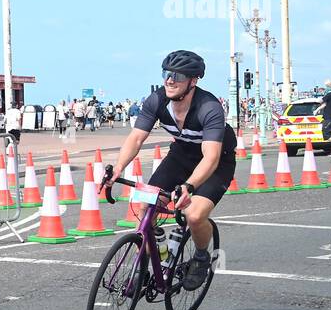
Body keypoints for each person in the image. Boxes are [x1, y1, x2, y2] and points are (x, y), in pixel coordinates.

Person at [100, 50, 236, 292]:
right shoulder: (157, 100)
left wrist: (189, 187)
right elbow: (136, 138)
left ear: (193, 81)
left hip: (215, 162)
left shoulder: (209, 107)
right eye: (166, 74)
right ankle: (153, 259)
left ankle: (202, 257)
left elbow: (211, 157)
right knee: (145, 206)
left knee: (194, 215)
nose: (169, 80)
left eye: (178, 75)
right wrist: (118, 168)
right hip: (181, 155)